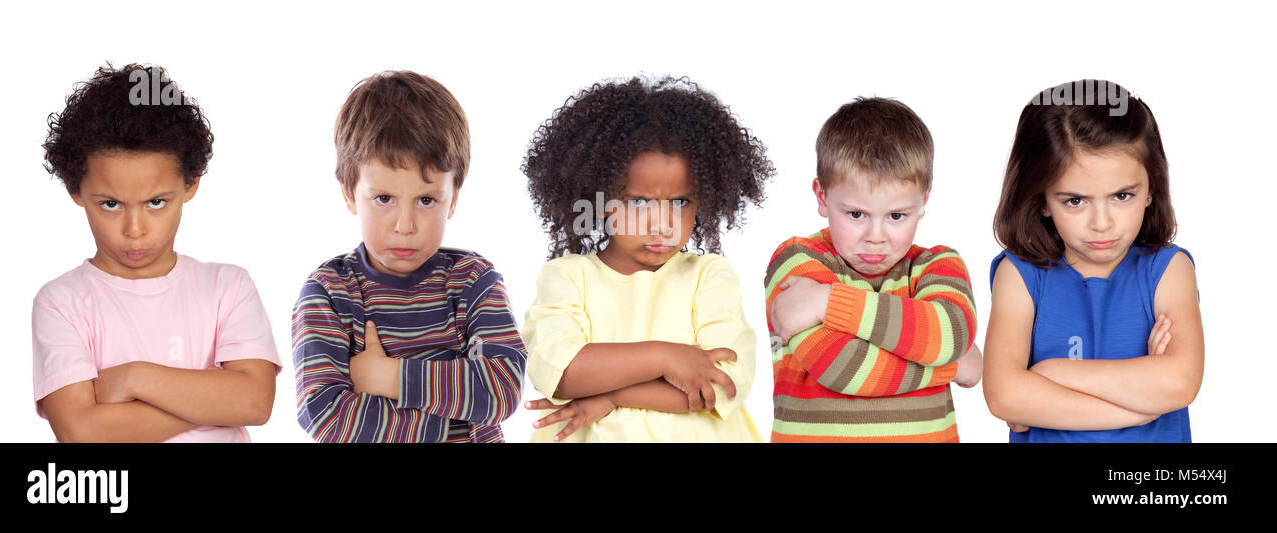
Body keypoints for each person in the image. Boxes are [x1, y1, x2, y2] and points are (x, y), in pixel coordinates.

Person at [34, 63, 280, 442]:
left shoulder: (228, 287)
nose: (135, 230)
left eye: (156, 202)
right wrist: (213, 399)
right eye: (111, 204)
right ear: (75, 189)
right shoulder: (62, 303)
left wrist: (135, 377)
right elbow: (81, 432)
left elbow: (255, 403)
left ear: (190, 183)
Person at [520, 76, 773, 442]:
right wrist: (666, 359)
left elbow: (719, 386)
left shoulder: (709, 278)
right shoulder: (567, 278)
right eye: (638, 202)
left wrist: (610, 394)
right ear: (600, 199)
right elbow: (561, 371)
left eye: (681, 202)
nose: (662, 224)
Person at [292, 70, 526, 442]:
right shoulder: (329, 292)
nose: (405, 225)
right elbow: (324, 415)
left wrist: (387, 377)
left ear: (454, 198)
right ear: (350, 194)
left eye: (426, 200)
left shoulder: (473, 280)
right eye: (384, 199)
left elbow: (502, 388)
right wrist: (457, 417)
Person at [982, 80, 1204, 442]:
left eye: (1122, 195)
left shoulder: (1168, 269)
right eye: (1075, 201)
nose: (1102, 223)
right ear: (1041, 200)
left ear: (1151, 190)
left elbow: (1179, 382)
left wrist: (1050, 373)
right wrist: (1145, 405)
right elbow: (1004, 395)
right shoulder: (1020, 275)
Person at [765, 97, 981, 442]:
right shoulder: (798, 261)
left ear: (924, 200)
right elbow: (845, 367)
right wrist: (951, 365)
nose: (876, 238)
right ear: (822, 197)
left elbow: (951, 333)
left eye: (897, 216)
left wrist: (828, 302)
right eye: (856, 214)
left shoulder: (937, 265)